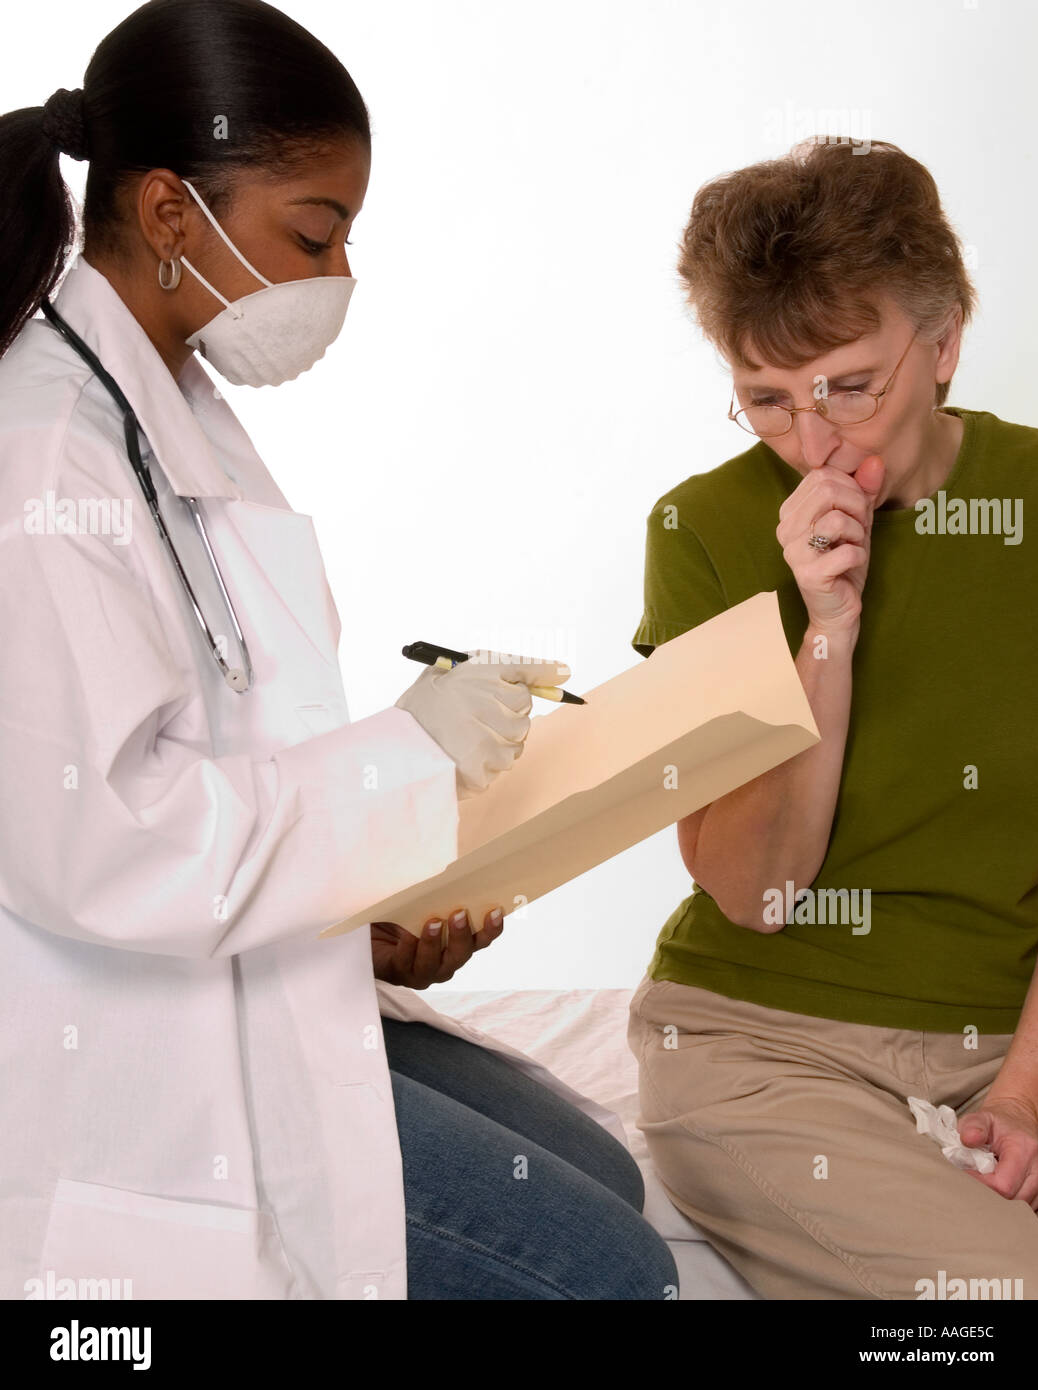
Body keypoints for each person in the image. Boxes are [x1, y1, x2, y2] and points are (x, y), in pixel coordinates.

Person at [0, 0, 677, 1300]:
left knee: (606, 1171)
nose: (340, 277)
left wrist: (365, 913)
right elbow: (106, 847)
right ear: (165, 212)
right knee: (614, 1274)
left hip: (242, 962)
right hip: (141, 1044)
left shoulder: (168, 401)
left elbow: (228, 745)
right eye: (315, 234)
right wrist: (401, 758)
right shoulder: (52, 455)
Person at [627, 136, 1038, 1300]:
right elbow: (755, 893)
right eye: (765, 401)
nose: (813, 445)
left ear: (947, 339)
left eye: (850, 387)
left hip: (1011, 1043)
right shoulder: (702, 531)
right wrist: (827, 634)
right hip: (761, 1047)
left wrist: (1022, 1093)